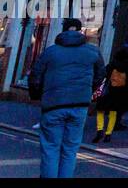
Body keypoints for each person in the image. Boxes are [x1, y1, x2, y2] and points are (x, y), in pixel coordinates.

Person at [27, 17, 105, 178]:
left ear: (63, 30)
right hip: (80, 105)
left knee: (50, 148)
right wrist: (88, 90)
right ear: (80, 30)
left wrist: (37, 95)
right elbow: (101, 74)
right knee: (70, 149)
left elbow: (35, 76)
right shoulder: (92, 51)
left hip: (53, 105)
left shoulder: (51, 52)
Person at [93, 39, 128, 143]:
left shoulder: (112, 65)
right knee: (113, 112)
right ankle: (108, 133)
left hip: (107, 91)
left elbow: (103, 75)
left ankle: (100, 129)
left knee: (100, 111)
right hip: (119, 92)